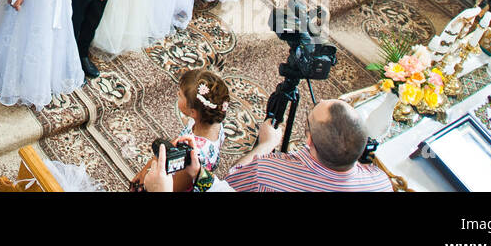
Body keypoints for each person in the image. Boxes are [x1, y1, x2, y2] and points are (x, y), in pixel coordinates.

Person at [222, 100, 392, 192]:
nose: (321, 99)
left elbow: (228, 183)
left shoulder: (266, 173)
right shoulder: (381, 184)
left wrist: (267, 144)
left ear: (309, 140)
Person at [139, 69, 231, 192]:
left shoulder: (193, 155)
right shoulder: (213, 121)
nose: (177, 94)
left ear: (193, 112)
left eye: (180, 95)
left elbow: (174, 188)